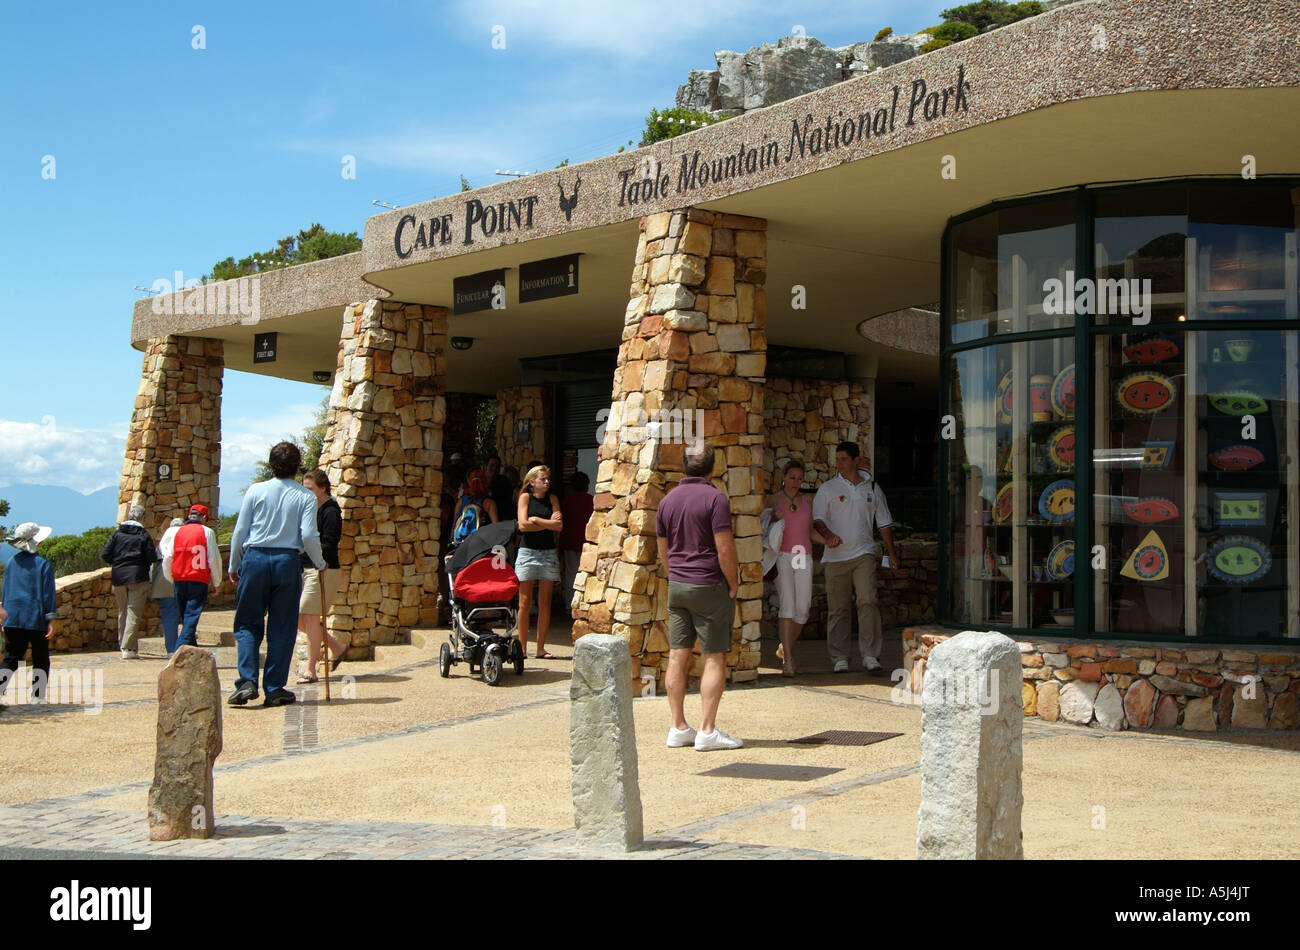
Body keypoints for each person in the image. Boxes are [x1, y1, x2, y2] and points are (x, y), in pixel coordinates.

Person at [656, 440, 742, 751]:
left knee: (678, 655)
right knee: (714, 656)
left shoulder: (667, 501)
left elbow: (662, 550)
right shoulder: (715, 498)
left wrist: (675, 574)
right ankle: (707, 730)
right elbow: (724, 546)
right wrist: (732, 582)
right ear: (712, 468)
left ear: (684, 466)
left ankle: (678, 726)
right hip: (708, 584)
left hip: (678, 585)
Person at [227, 442, 326, 707]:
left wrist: (233, 565)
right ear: (297, 466)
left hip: (255, 558)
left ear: (271, 464)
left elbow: (240, 532)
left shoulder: (255, 490)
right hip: (286, 561)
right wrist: (319, 562)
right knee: (282, 626)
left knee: (248, 623)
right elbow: (308, 535)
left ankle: (247, 681)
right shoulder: (304, 497)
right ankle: (274, 687)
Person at [812, 441, 900, 674]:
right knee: (838, 608)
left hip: (864, 553)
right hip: (835, 558)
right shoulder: (827, 488)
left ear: (856, 461)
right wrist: (828, 535)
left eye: (843, 459)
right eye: (837, 459)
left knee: (868, 601)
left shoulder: (872, 488)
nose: (839, 463)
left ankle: (870, 655)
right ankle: (839, 657)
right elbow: (818, 520)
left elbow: (884, 523)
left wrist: (891, 553)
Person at [764, 460, 827, 677]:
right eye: (792, 477)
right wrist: (772, 516)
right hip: (782, 555)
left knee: (803, 608)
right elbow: (762, 525)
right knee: (788, 606)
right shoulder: (773, 500)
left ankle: (785, 646)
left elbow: (810, 532)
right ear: (784, 477)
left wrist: (828, 541)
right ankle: (788, 661)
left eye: (799, 478)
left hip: (803, 555)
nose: (796, 482)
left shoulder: (807, 500)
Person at [297, 469, 348, 684]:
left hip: (323, 569)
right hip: (307, 569)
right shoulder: (310, 508)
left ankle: (311, 669)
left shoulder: (330, 511)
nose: (305, 492)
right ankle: (337, 647)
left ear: (322, 488)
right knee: (299, 619)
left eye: (310, 489)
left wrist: (305, 549)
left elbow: (330, 543)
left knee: (309, 618)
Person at [0, 523, 56, 702]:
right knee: (40, 658)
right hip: (36, 618)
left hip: (13, 617)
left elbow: (6, 591)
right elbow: (48, 595)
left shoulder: (10, 563)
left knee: (11, 658)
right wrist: (51, 620)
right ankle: (38, 697)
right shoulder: (43, 565)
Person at [515, 464, 562, 659]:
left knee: (545, 603)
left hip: (548, 553)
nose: (547, 482)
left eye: (547, 479)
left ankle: (541, 647)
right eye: (543, 479)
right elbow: (523, 525)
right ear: (532, 482)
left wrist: (536, 519)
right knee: (524, 603)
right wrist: (546, 524)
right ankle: (522, 648)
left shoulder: (553, 499)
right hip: (528, 553)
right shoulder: (525, 497)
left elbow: (558, 525)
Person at [101, 503, 160, 659]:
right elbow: (152, 557)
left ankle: (123, 644)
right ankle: (128, 648)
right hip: (138, 577)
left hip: (119, 576)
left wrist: (117, 563)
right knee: (134, 612)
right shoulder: (143, 535)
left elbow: (105, 554)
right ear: (142, 518)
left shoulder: (117, 534)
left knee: (122, 611)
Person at [161, 504, 222, 649]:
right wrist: (217, 582)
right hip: (198, 579)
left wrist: (171, 577)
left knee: (185, 615)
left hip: (179, 578)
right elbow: (213, 558)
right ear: (204, 517)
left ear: (189, 515)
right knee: (191, 616)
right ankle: (179, 649)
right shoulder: (207, 532)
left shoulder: (177, 532)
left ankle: (190, 647)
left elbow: (168, 556)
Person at [559, 471, 593, 613]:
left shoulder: (566, 502)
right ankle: (586, 605)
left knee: (571, 574)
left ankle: (570, 605)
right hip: (588, 543)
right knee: (589, 575)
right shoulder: (592, 500)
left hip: (570, 541)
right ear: (587, 485)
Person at [152, 517, 184, 655]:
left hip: (162, 583)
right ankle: (181, 646)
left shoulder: (162, 542)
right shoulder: (185, 538)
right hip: (182, 580)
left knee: (169, 616)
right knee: (186, 614)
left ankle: (171, 648)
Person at [451, 468, 499, 544]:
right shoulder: (489, 503)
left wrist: (452, 541)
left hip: (460, 544)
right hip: (479, 545)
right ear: (485, 482)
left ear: (470, 482)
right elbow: (496, 528)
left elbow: (455, 524)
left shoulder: (461, 501)